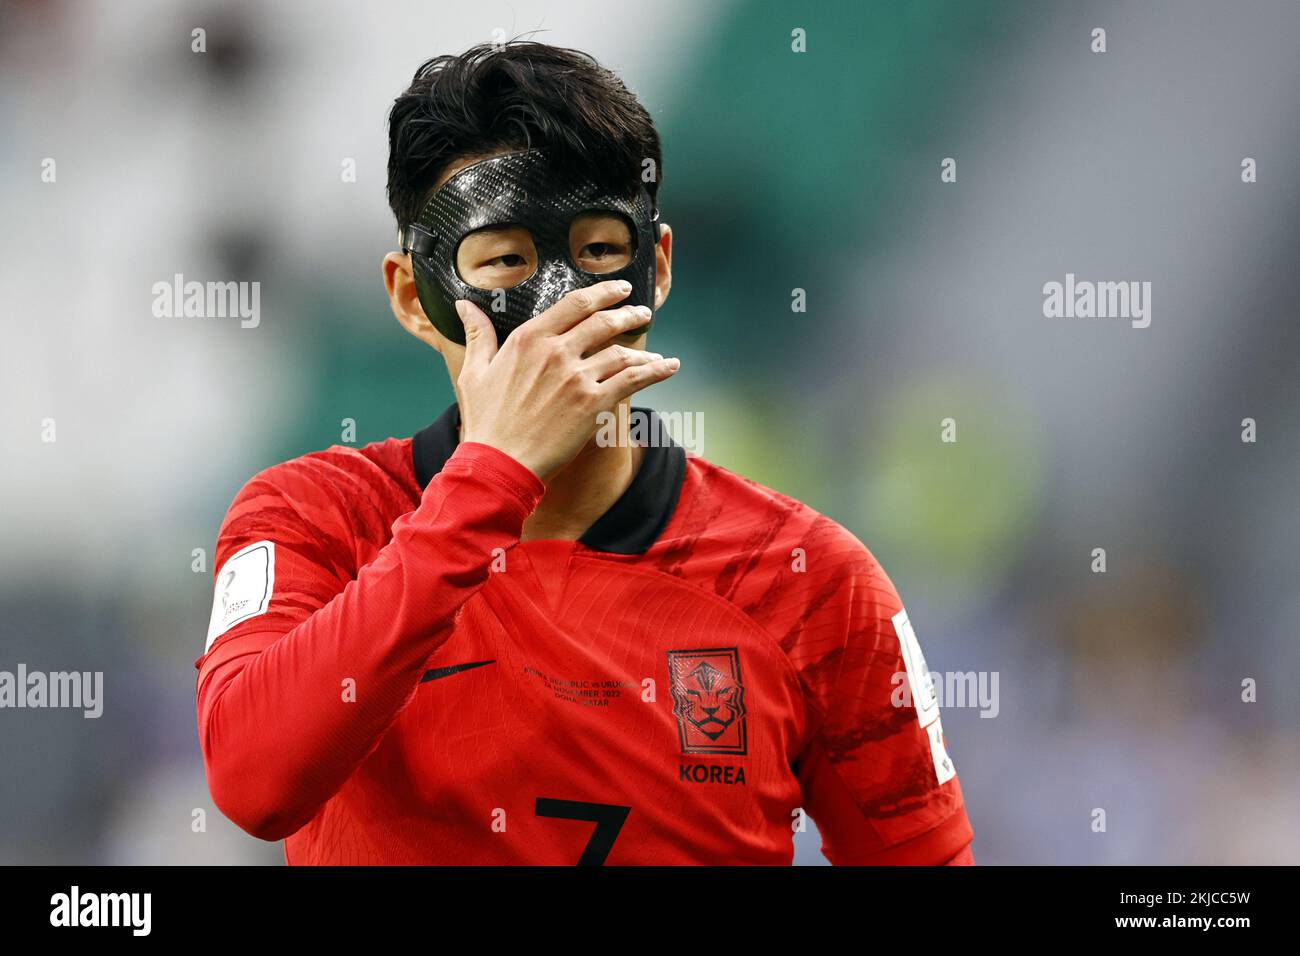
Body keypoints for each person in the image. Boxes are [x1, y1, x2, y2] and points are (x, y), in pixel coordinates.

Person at [195, 40, 974, 865]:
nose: (557, 306)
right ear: (411, 298)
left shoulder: (811, 580)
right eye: (504, 262)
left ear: (659, 268)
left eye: (599, 251)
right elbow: (253, 781)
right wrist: (492, 477)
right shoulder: (315, 518)